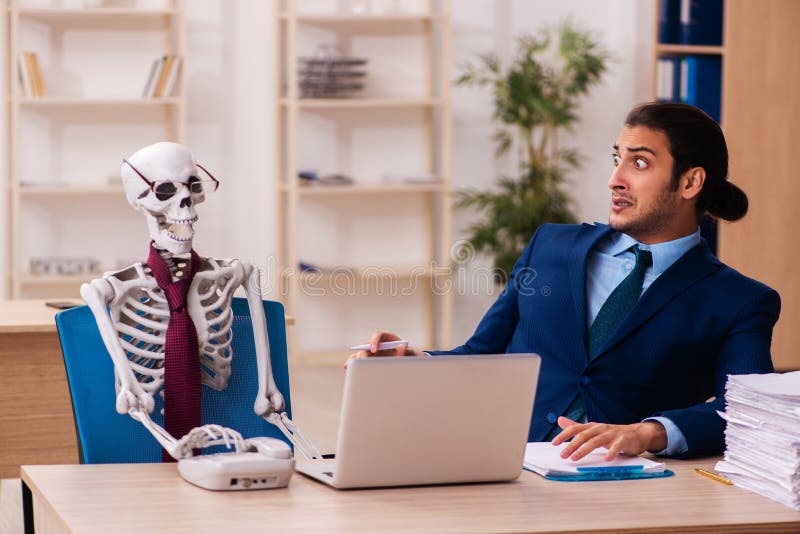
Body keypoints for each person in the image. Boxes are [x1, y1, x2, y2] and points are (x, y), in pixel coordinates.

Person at [348, 102, 780, 460]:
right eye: (617, 159)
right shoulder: (551, 246)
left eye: (640, 163)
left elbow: (745, 413)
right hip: (503, 465)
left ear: (690, 181)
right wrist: (411, 364)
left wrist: (647, 433)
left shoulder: (740, 301)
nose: (615, 179)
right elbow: (481, 354)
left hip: (625, 485)